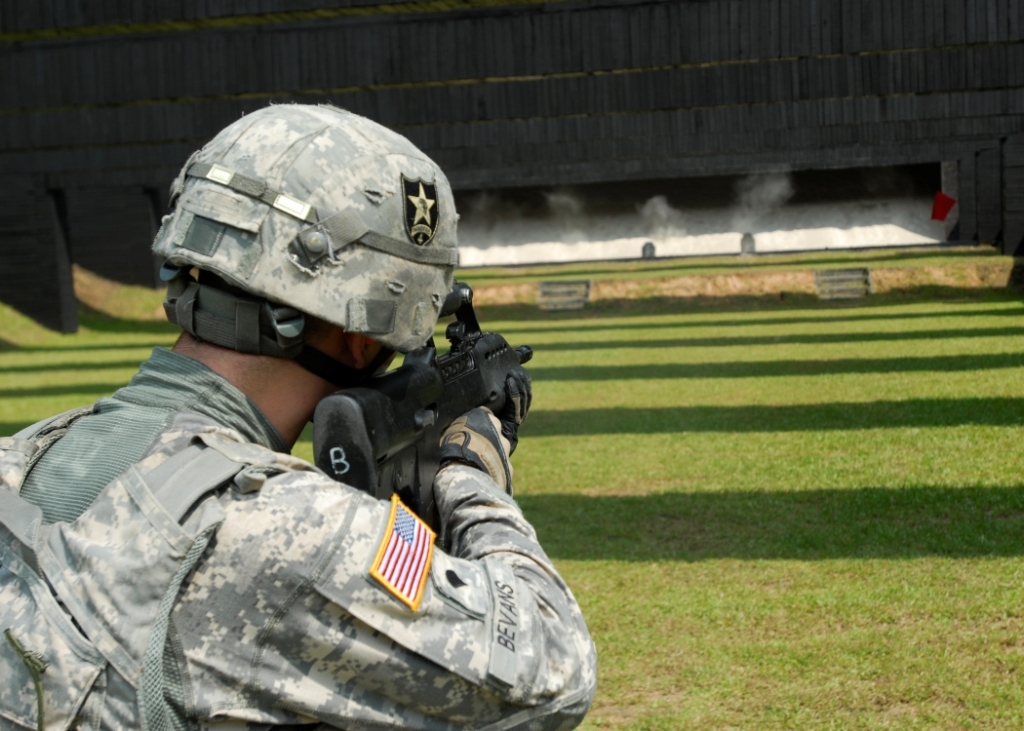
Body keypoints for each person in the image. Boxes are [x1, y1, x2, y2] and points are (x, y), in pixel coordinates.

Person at [0, 104, 596, 731]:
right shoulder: (279, 522)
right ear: (362, 338)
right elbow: (552, 672)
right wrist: (469, 472)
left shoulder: (24, 455)